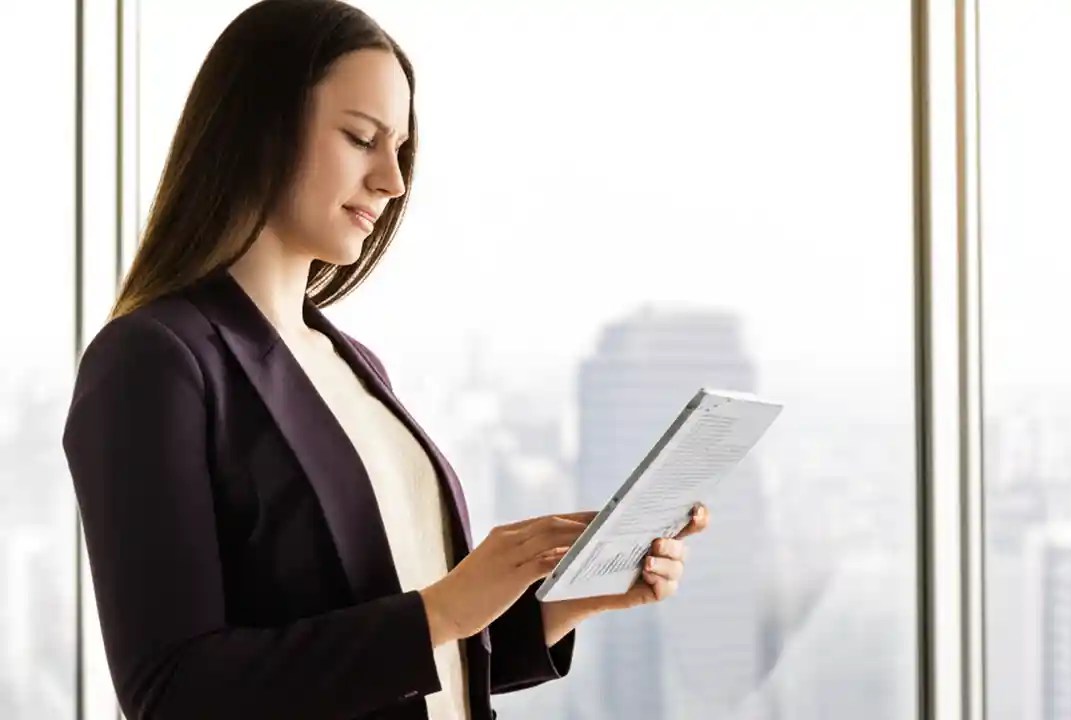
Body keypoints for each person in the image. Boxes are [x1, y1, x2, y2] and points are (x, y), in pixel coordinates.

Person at [60, 1, 711, 718]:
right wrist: (442, 611)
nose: (392, 181)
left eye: (399, 149)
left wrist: (560, 601)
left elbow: (392, 661)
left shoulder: (354, 365)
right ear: (260, 126)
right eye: (361, 138)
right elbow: (172, 692)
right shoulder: (153, 363)